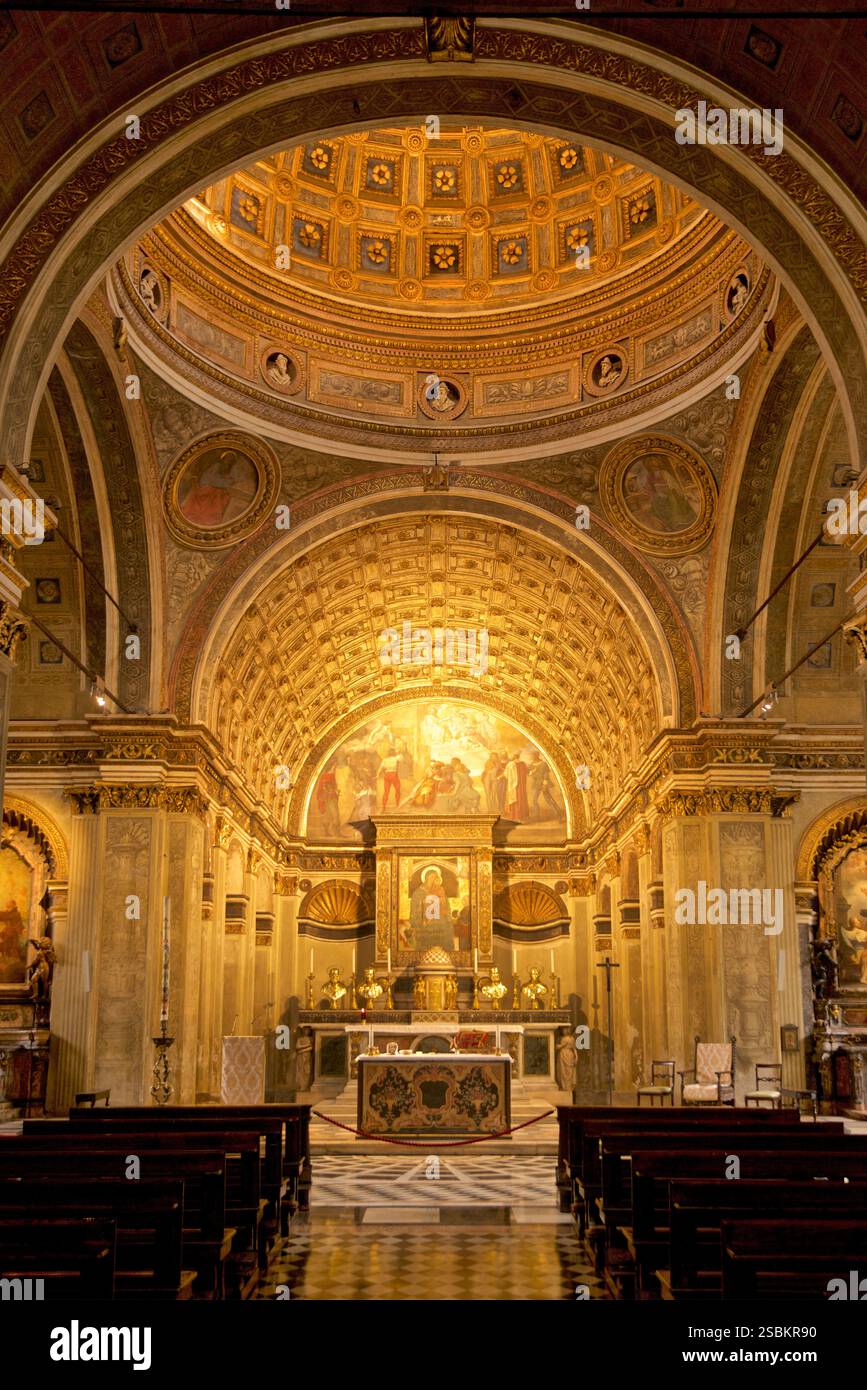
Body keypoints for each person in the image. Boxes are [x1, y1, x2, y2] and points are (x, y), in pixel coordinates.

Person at [527, 752, 561, 821]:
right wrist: (532, 772)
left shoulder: (543, 764)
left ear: (537, 756)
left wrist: (545, 784)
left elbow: (546, 774)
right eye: (532, 756)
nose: (532, 757)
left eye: (533, 756)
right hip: (536, 784)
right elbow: (529, 773)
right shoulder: (531, 764)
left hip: (543, 783)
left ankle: (558, 814)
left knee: (548, 800)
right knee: (534, 800)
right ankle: (536, 816)